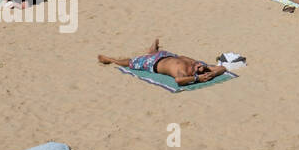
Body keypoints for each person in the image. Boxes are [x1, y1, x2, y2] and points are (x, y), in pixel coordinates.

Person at [97, 39, 226, 87]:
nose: (199, 64)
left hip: (152, 63)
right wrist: (212, 74)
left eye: (199, 67)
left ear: (195, 72)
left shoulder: (184, 72)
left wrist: (198, 78)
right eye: (200, 65)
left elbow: (179, 80)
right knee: (154, 52)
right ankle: (152, 49)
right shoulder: (198, 64)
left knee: (130, 62)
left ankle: (110, 60)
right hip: (167, 55)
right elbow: (222, 68)